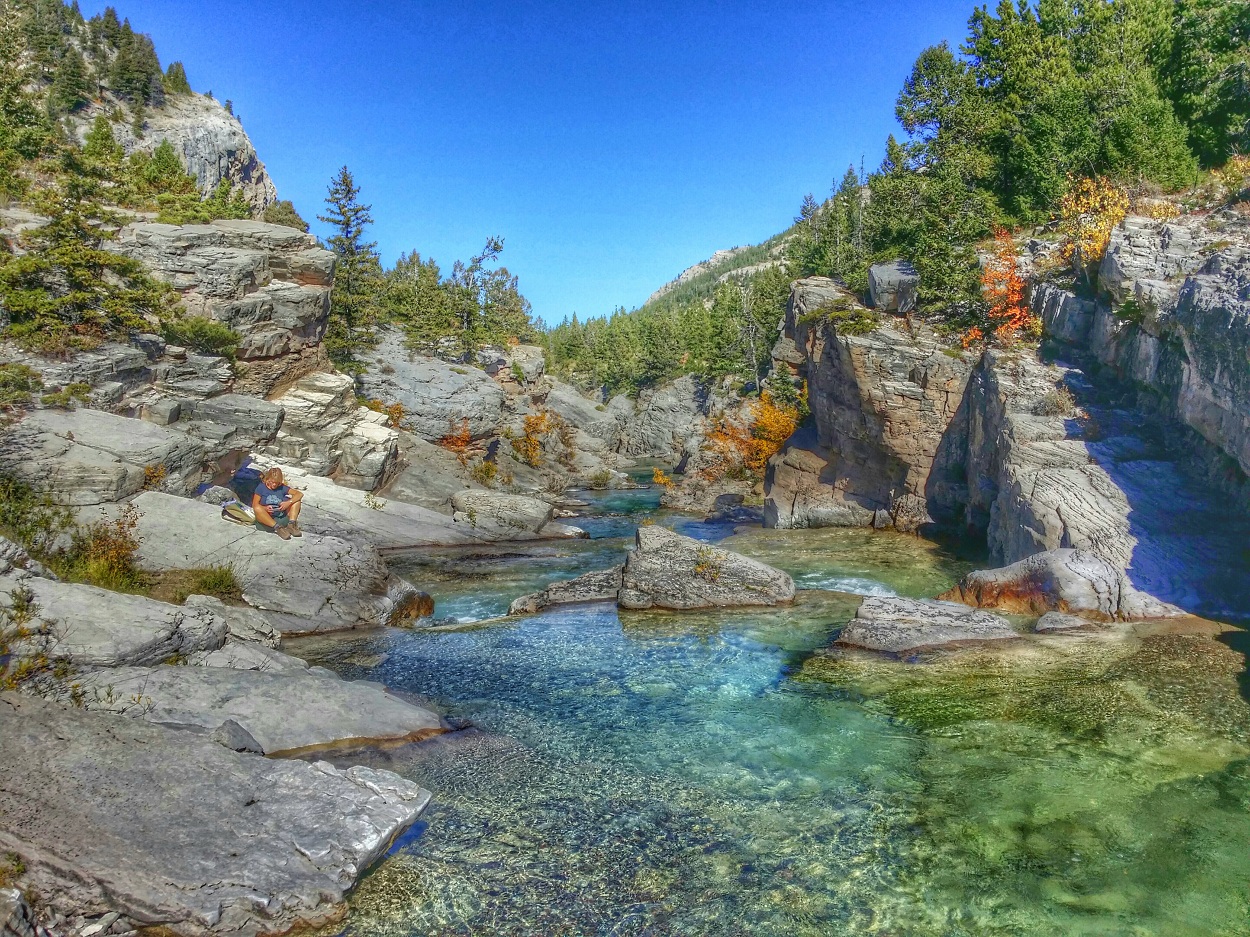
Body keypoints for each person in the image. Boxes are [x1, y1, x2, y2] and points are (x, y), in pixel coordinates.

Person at [252, 467, 303, 540]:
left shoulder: (281, 487)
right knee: (257, 508)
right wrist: (265, 508)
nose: (274, 485)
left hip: (279, 512)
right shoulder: (261, 488)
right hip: (266, 515)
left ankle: (291, 524)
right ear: (268, 478)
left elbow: (299, 494)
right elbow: (254, 505)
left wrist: (288, 503)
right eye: (272, 482)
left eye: (277, 483)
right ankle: (278, 528)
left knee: (296, 501)